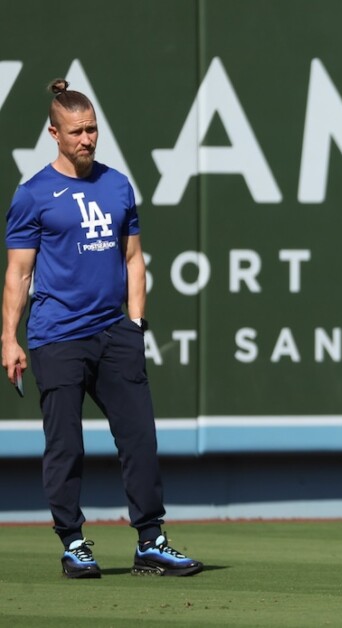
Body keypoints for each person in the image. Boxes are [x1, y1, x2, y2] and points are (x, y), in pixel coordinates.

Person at [1, 79, 203, 578]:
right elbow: (18, 274)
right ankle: (73, 543)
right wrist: (8, 338)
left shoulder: (117, 184)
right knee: (66, 445)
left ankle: (150, 541)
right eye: (76, 131)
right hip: (56, 337)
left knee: (139, 439)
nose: (87, 139)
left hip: (114, 333)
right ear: (54, 133)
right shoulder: (33, 196)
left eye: (92, 129)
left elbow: (134, 260)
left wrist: (135, 324)